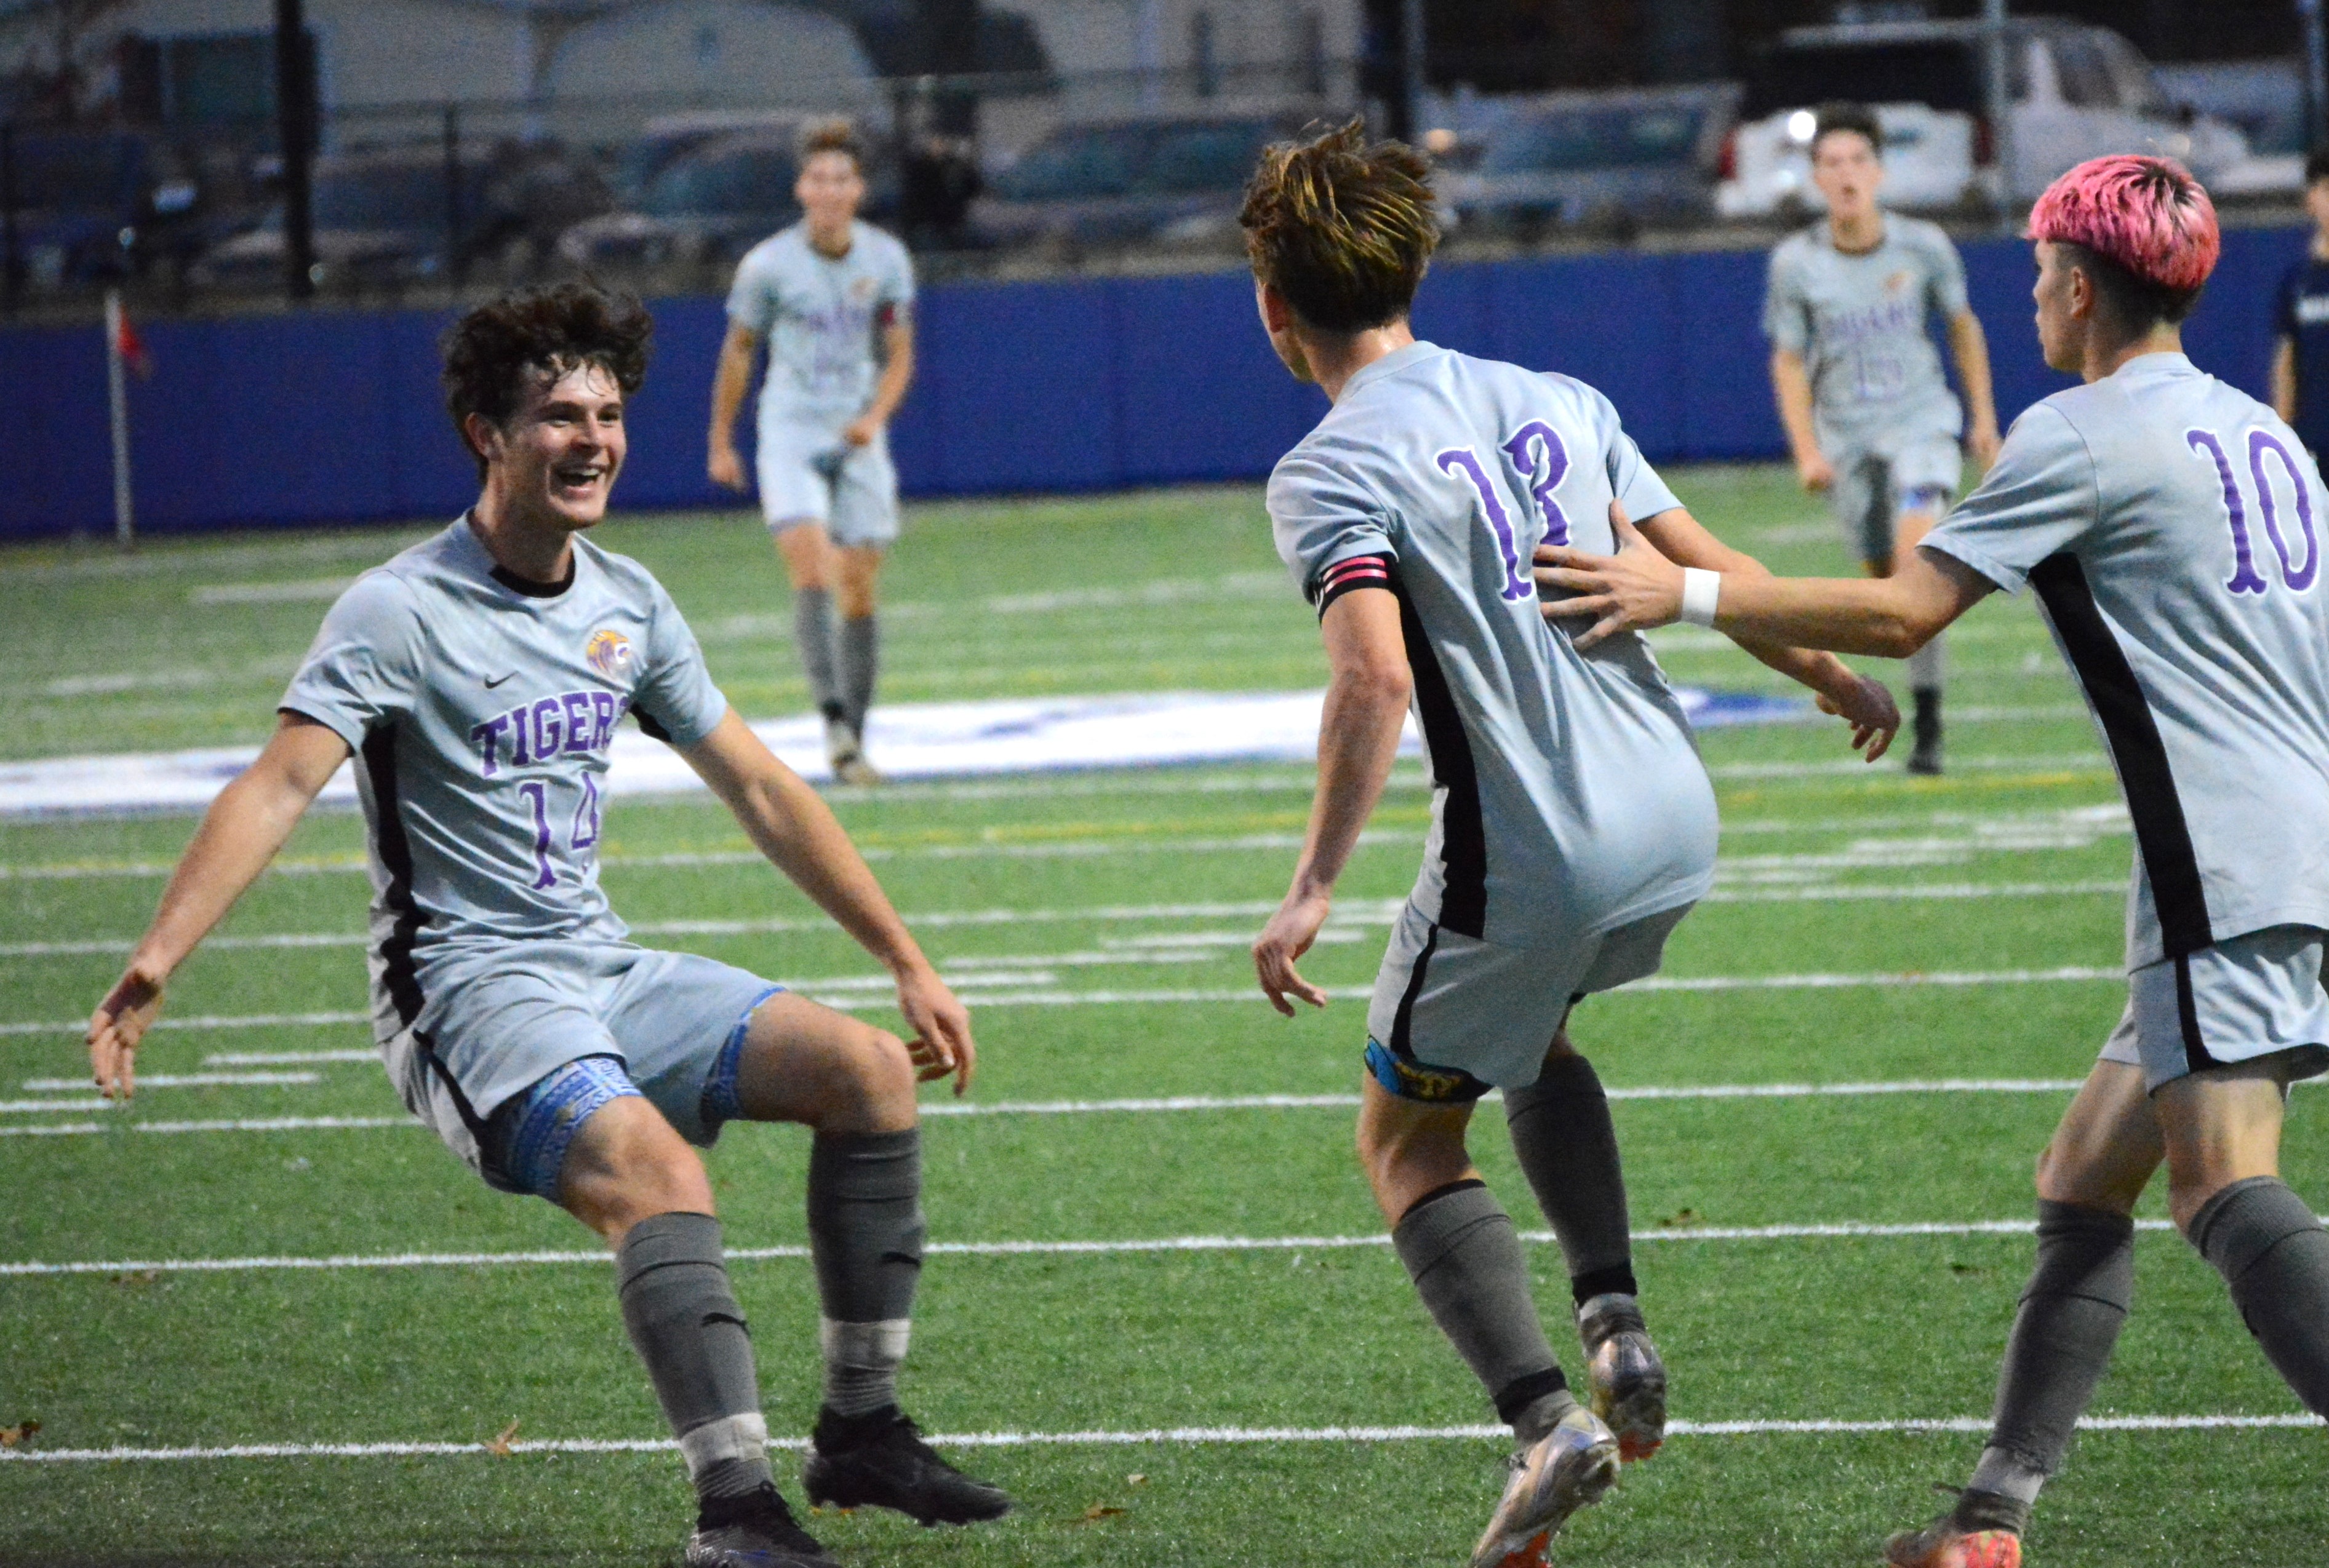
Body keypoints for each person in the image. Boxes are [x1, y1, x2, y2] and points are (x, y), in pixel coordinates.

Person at [87, 283, 1009, 1568]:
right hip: (466, 993)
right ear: (486, 431)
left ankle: (860, 1430)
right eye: (557, 413)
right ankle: (733, 1513)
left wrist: (902, 956)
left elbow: (758, 783)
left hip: (597, 962)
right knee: (659, 1178)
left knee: (863, 1072)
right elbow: (278, 781)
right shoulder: (399, 608)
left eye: (610, 411)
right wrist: (157, 955)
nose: (592, 438)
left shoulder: (624, 598)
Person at [1537, 156, 2329, 1568]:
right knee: (2084, 1176)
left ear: (2079, 287)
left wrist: (1688, 589)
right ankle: (1987, 1522)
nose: (2026, 294)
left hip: (2224, 861)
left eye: (2034, 273)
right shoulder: (2259, 436)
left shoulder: (2077, 430)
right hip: (2277, 838)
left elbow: (1908, 610)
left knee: (2216, 1186)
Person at [1239, 122, 1901, 1568]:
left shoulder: (1324, 465)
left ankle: (1545, 1420)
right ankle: (1613, 1322)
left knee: (1403, 1136)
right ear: (1416, 265)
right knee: (1527, 1036)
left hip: (1532, 847)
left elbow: (1369, 680)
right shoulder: (1552, 392)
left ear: (1271, 307)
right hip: (1671, 812)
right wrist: (1824, 670)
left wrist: (1305, 892)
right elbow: (1705, 568)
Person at [1764, 101, 2002, 775]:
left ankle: (1927, 726)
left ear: (1879, 170)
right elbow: (1786, 359)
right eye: (1831, 163)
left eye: (1857, 161)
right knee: (1883, 591)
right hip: (1848, 442)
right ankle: (1908, 700)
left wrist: (1980, 417)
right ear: (1815, 177)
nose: (1845, 175)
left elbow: (1961, 326)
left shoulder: (1922, 245)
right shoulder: (1794, 263)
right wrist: (1806, 449)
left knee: (1911, 557)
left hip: (1921, 424)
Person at [708, 118, 914, 786]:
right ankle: (831, 724)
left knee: (858, 581)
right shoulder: (768, 265)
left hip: (855, 431)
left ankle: (852, 734)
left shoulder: (884, 259)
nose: (829, 190)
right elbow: (739, 350)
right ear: (801, 188)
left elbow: (899, 352)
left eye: (841, 178)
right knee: (812, 564)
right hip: (790, 428)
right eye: (817, 178)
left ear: (858, 189)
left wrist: (874, 417)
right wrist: (721, 440)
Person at [2269, 146, 2329, 457]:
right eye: (2328, 189)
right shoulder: (2296, 282)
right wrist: (2284, 436)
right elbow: (2285, 364)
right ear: (2311, 198)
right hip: (2314, 442)